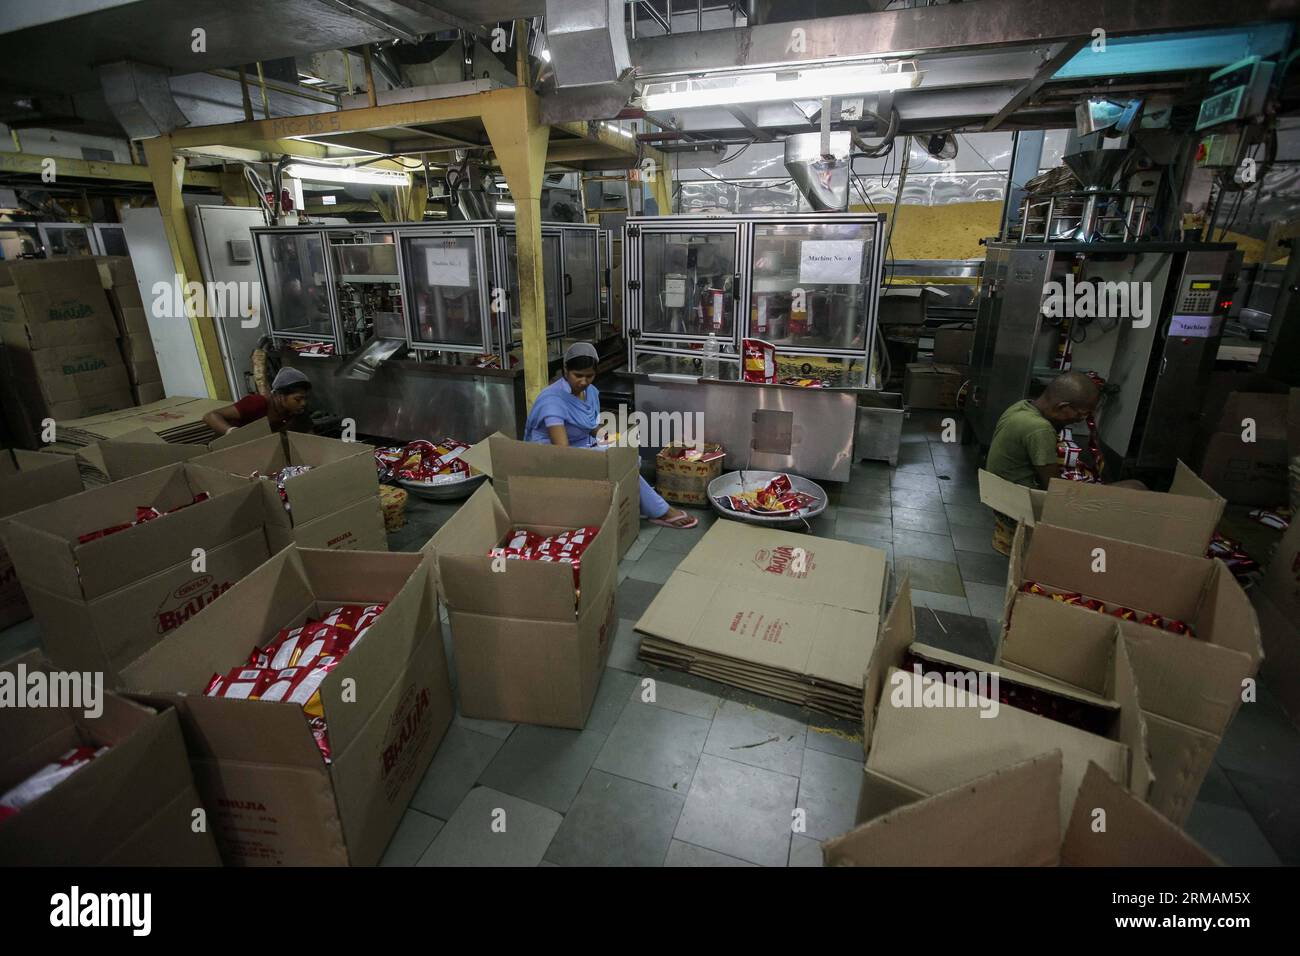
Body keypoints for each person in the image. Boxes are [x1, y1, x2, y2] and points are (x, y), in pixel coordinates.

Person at [524, 342, 698, 529]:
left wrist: (602, 434)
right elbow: (564, 454)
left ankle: (644, 502)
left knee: (629, 457)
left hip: (580, 445)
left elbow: (589, 425)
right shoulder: (553, 401)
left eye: (589, 376)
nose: (583, 381)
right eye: (578, 375)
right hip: (553, 456)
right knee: (618, 463)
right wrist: (602, 453)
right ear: (566, 370)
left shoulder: (589, 392)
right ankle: (661, 511)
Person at [984, 371, 1142, 554]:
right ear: (1063, 407)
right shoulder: (1039, 429)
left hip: (1004, 499)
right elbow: (1055, 488)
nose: (1080, 420)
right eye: (1081, 414)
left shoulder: (1021, 407)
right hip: (1020, 509)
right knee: (1135, 489)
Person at [203, 367, 313, 437]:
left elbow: (311, 439)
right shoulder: (257, 403)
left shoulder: (297, 413)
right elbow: (210, 416)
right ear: (280, 396)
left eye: (305, 399)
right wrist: (233, 433)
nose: (303, 403)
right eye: (298, 399)